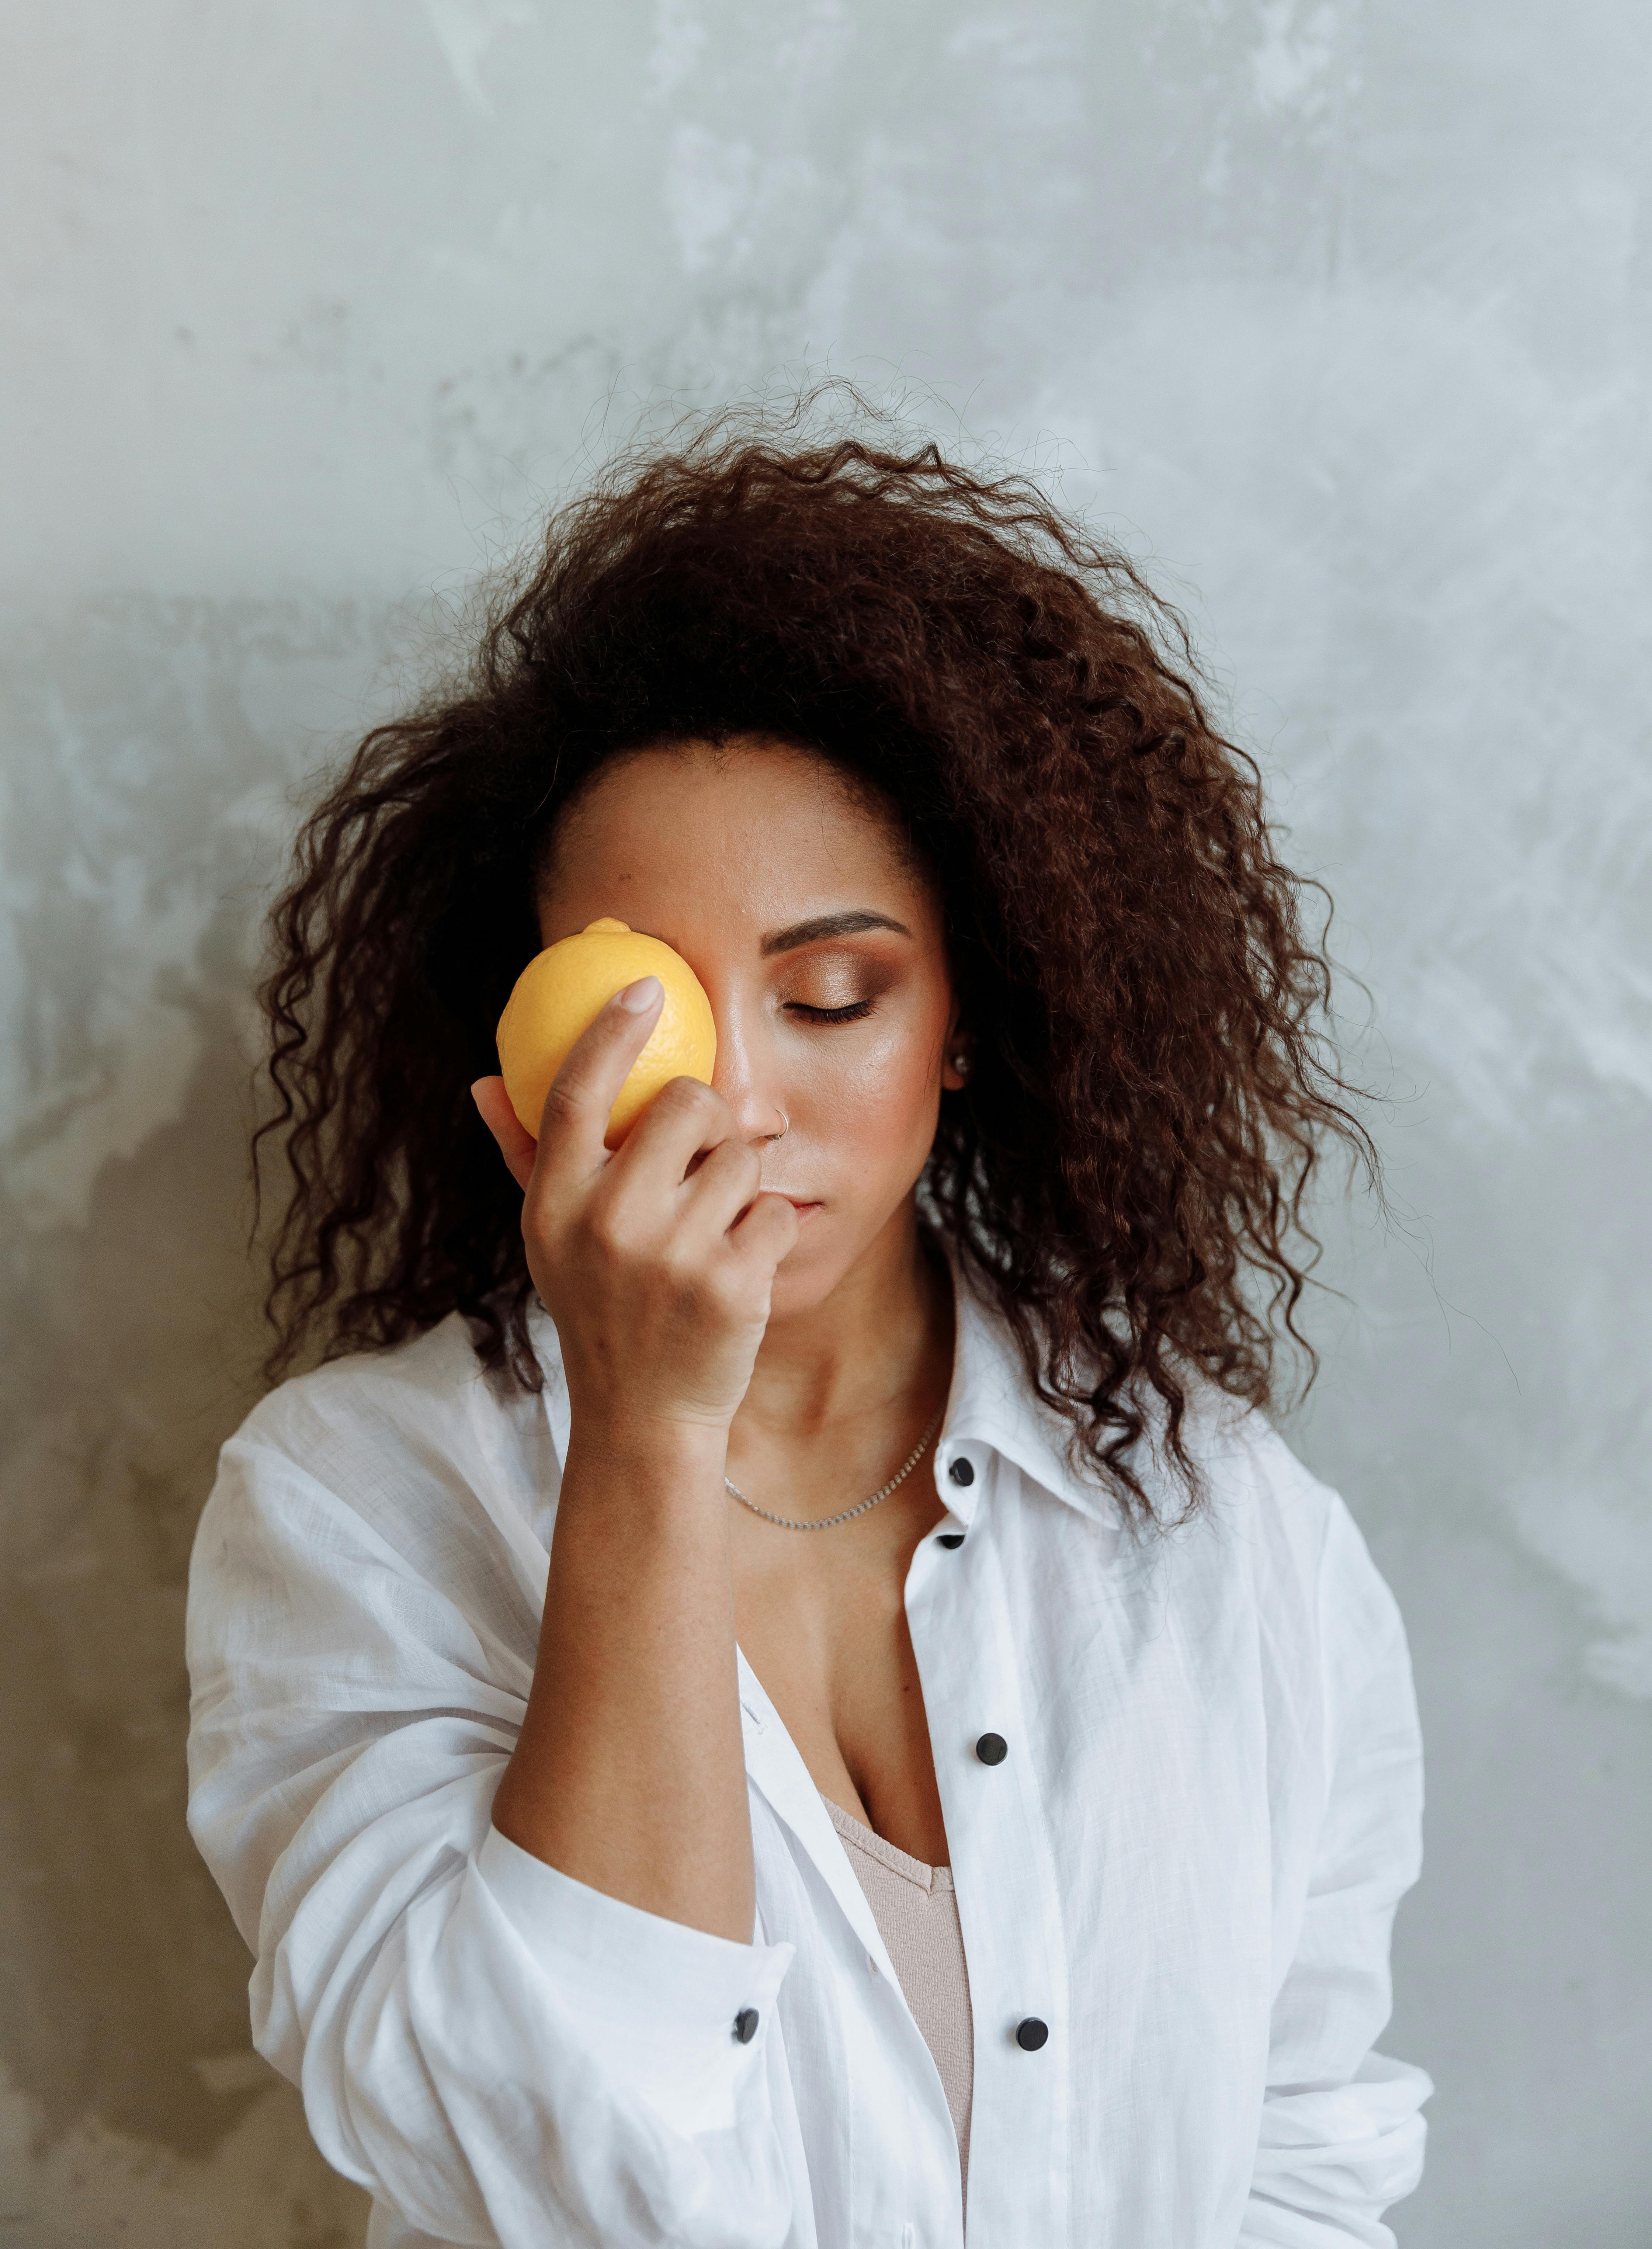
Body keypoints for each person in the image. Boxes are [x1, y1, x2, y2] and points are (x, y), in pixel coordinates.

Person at [185, 416, 1431, 2249]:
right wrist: (644, 1432)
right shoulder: (354, 1497)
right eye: (649, 1010)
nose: (738, 1099)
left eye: (831, 995)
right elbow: (543, 2157)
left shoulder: (1226, 1528)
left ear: (966, 1018)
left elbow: (1304, 2158)